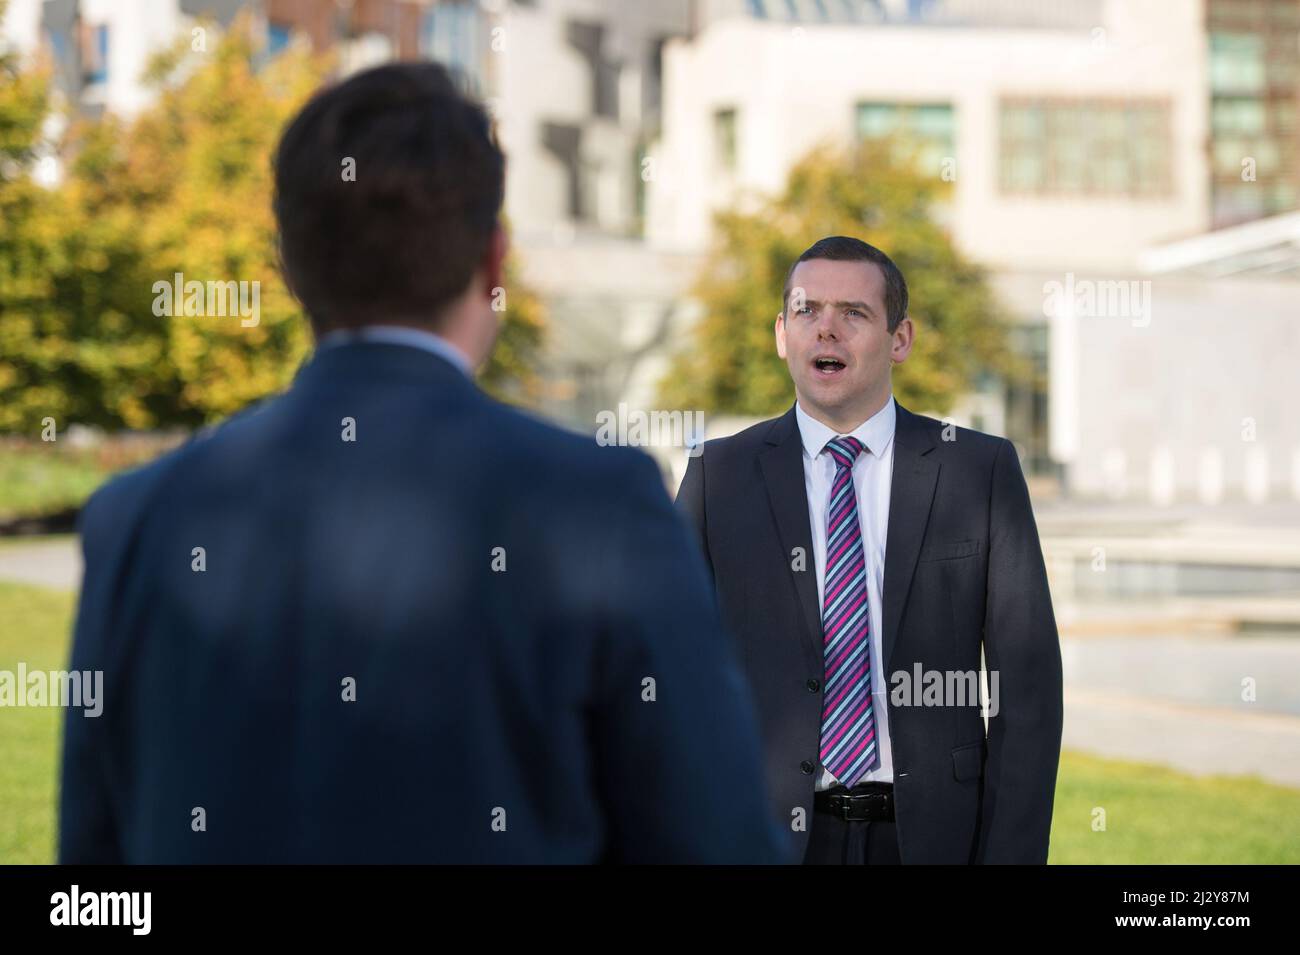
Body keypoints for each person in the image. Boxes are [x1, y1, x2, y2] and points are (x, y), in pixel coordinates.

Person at [59, 62, 789, 864]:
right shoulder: (601, 504)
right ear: (495, 262)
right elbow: (716, 841)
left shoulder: (137, 516)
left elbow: (92, 879)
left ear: (290, 264)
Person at [676, 236, 1063, 864]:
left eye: (853, 314)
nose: (826, 330)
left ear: (900, 339)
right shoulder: (718, 474)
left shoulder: (979, 470)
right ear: (782, 334)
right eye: (807, 311)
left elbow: (1029, 686)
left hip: (933, 841)